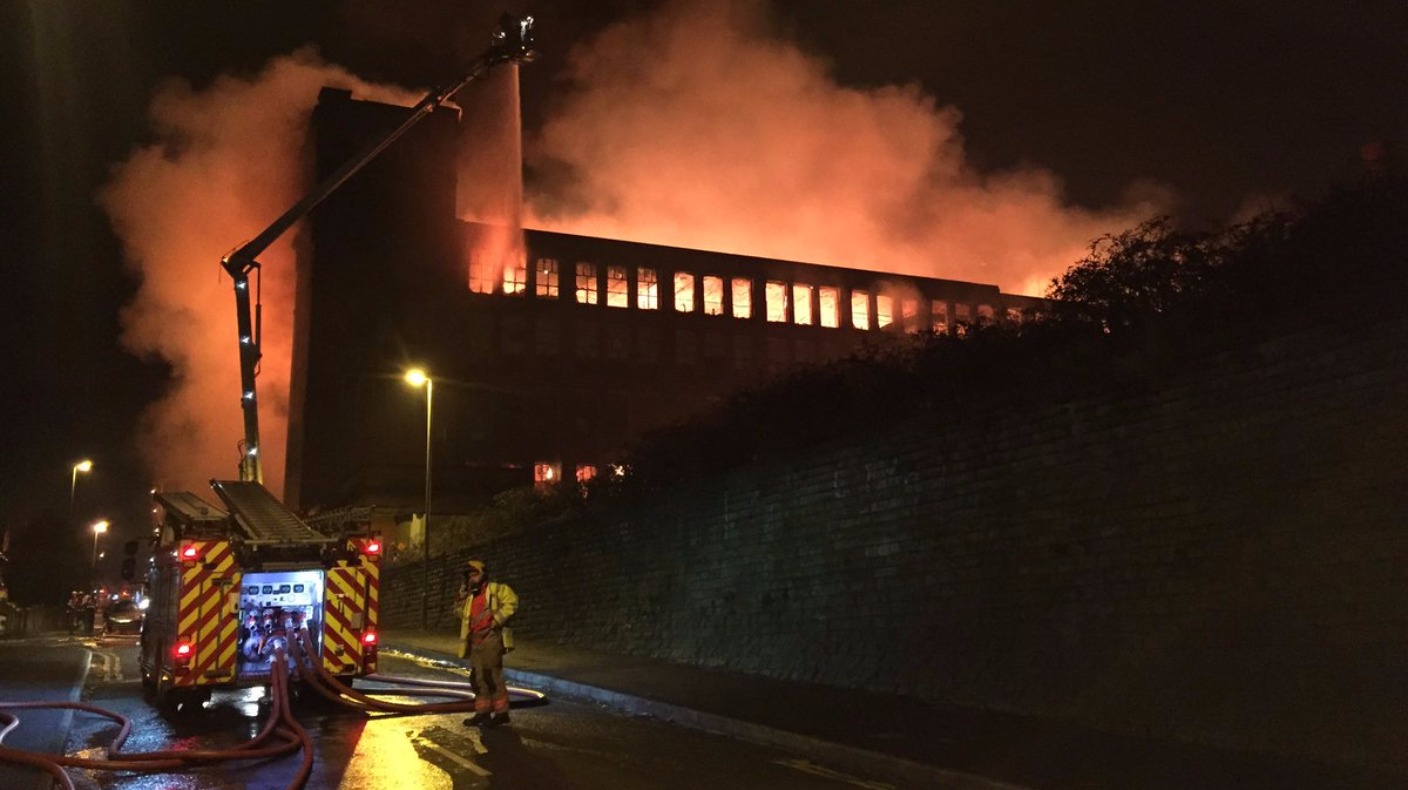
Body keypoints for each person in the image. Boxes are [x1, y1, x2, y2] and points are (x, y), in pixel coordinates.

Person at [454, 559, 517, 727]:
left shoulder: (496, 589)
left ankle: (502, 713)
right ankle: (483, 712)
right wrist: (461, 597)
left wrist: (496, 621)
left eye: (474, 574)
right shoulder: (470, 596)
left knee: (491, 675)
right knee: (477, 677)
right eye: (468, 576)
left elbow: (512, 603)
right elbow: (461, 614)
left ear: (483, 575)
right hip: (475, 640)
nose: (471, 579)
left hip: (491, 637)